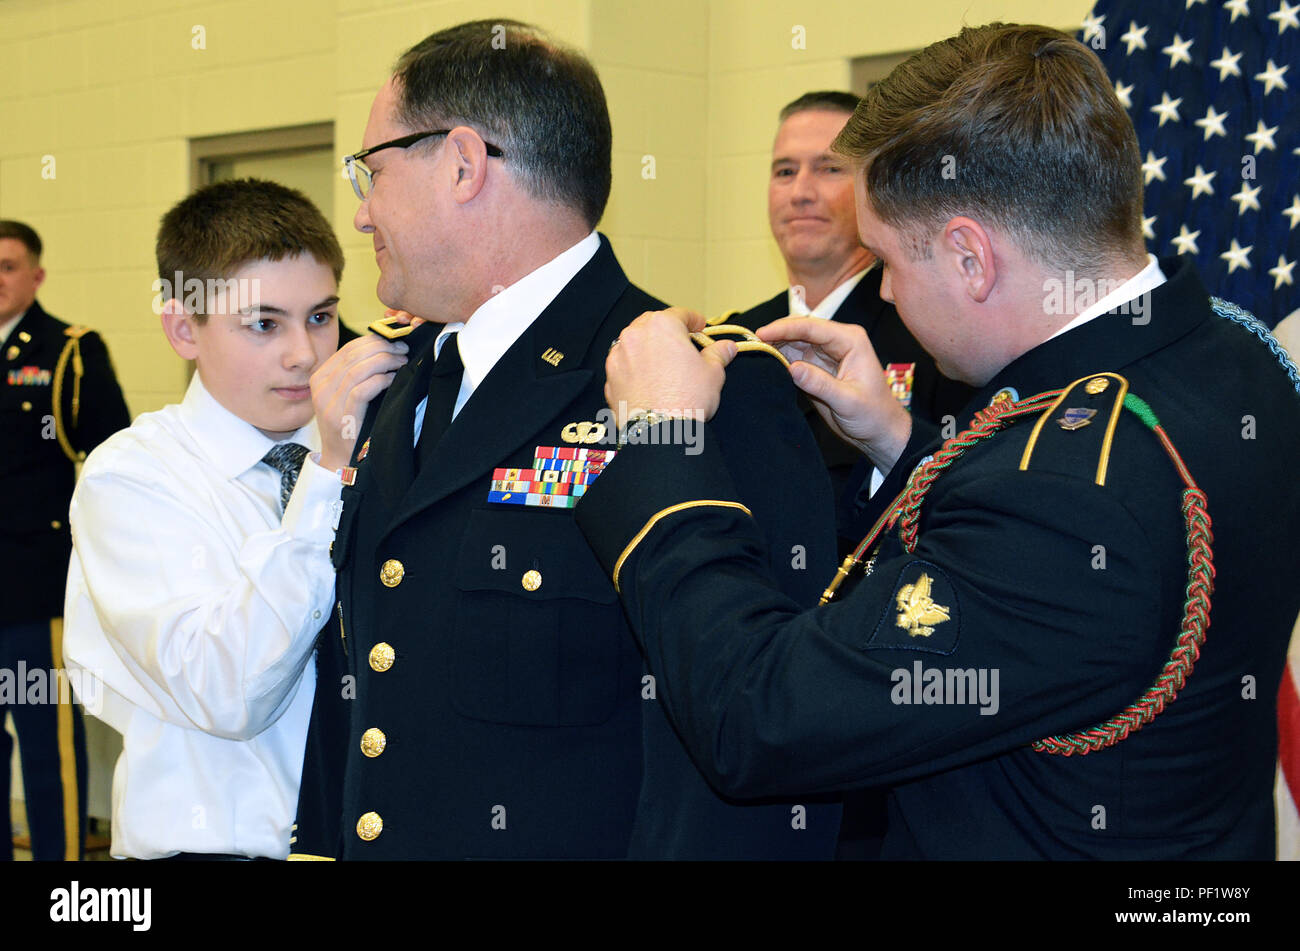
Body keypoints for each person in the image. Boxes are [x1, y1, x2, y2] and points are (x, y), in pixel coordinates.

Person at [573, 23, 1300, 859]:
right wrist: (900, 444)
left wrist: (662, 439)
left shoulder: (1063, 497)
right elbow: (1060, 598)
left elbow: (760, 717)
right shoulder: (1242, 350)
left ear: (970, 257)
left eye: (885, 259)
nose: (882, 289)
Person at [292, 19, 840, 860]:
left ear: (463, 164)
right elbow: (364, 687)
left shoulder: (700, 389)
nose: (361, 212)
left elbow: (754, 748)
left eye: (372, 171)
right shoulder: (407, 378)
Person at [62, 179, 354, 860]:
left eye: (321, 316)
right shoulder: (132, 475)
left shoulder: (359, 450)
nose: (304, 354)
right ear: (183, 328)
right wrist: (326, 481)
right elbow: (229, 690)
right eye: (264, 323)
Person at [734, 91, 969, 533]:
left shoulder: (929, 335)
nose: (801, 192)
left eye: (829, 169)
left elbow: (959, 492)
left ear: (873, 190)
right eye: (785, 171)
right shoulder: (737, 337)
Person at [0, 219, 129, 861]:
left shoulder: (68, 349)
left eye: (7, 265)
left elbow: (111, 460)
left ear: (36, 276)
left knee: (46, 743)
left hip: (33, 585)